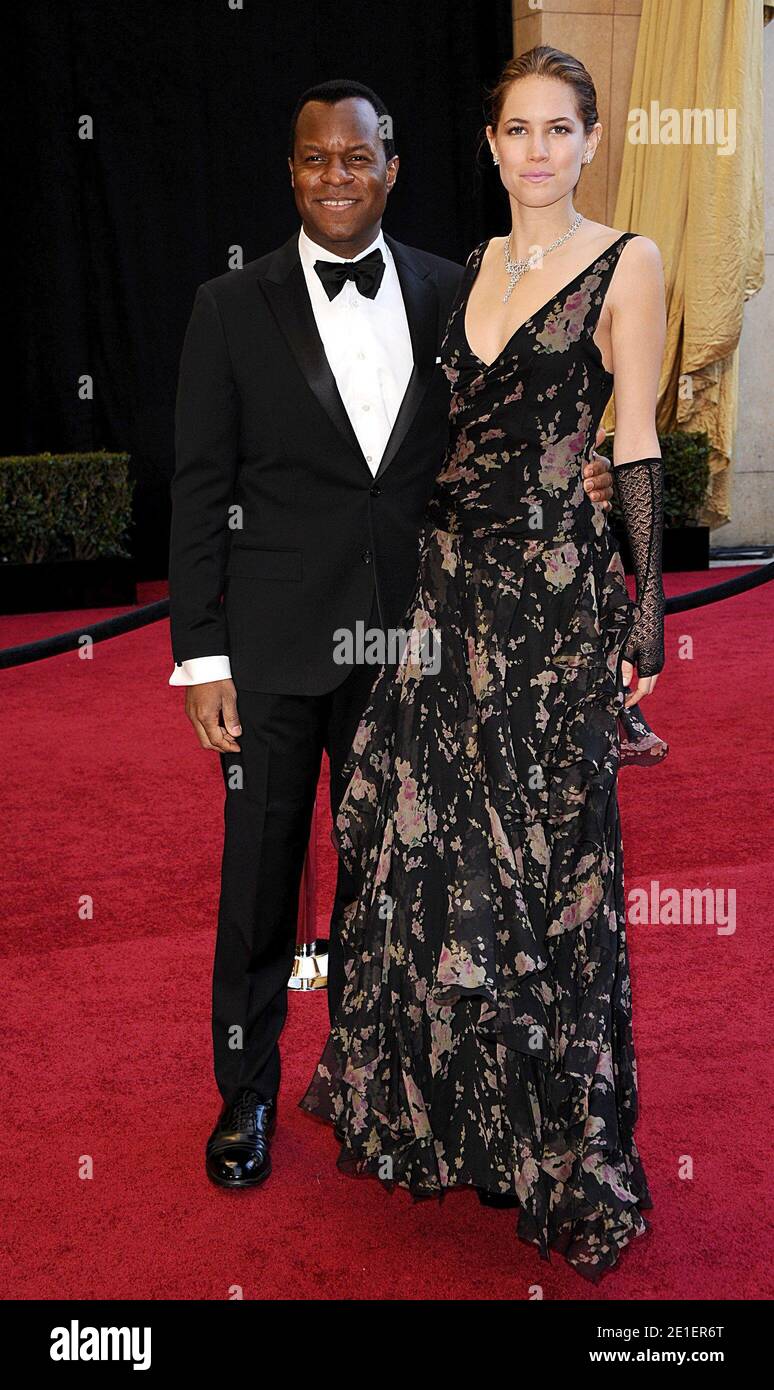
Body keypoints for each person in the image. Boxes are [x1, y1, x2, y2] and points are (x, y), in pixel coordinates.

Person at [167, 78, 616, 1191]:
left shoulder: (452, 290)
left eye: (356, 158)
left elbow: (497, 443)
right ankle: (247, 1096)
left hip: (417, 643)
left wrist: (582, 480)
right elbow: (196, 489)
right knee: (261, 880)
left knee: (406, 883)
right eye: (315, 158)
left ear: (393, 167)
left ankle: (393, 1095)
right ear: (291, 171)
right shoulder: (229, 305)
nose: (336, 176)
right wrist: (203, 653)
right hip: (270, 646)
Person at [299, 47, 669, 1285]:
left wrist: (648, 608)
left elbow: (636, 444)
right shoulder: (464, 277)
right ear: (492, 144)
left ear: (592, 140)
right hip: (449, 604)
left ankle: (562, 1146)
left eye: (561, 129)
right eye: (518, 129)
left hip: (556, 609)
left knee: (543, 865)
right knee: (432, 856)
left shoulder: (628, 264)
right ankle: (456, 1123)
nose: (539, 151)